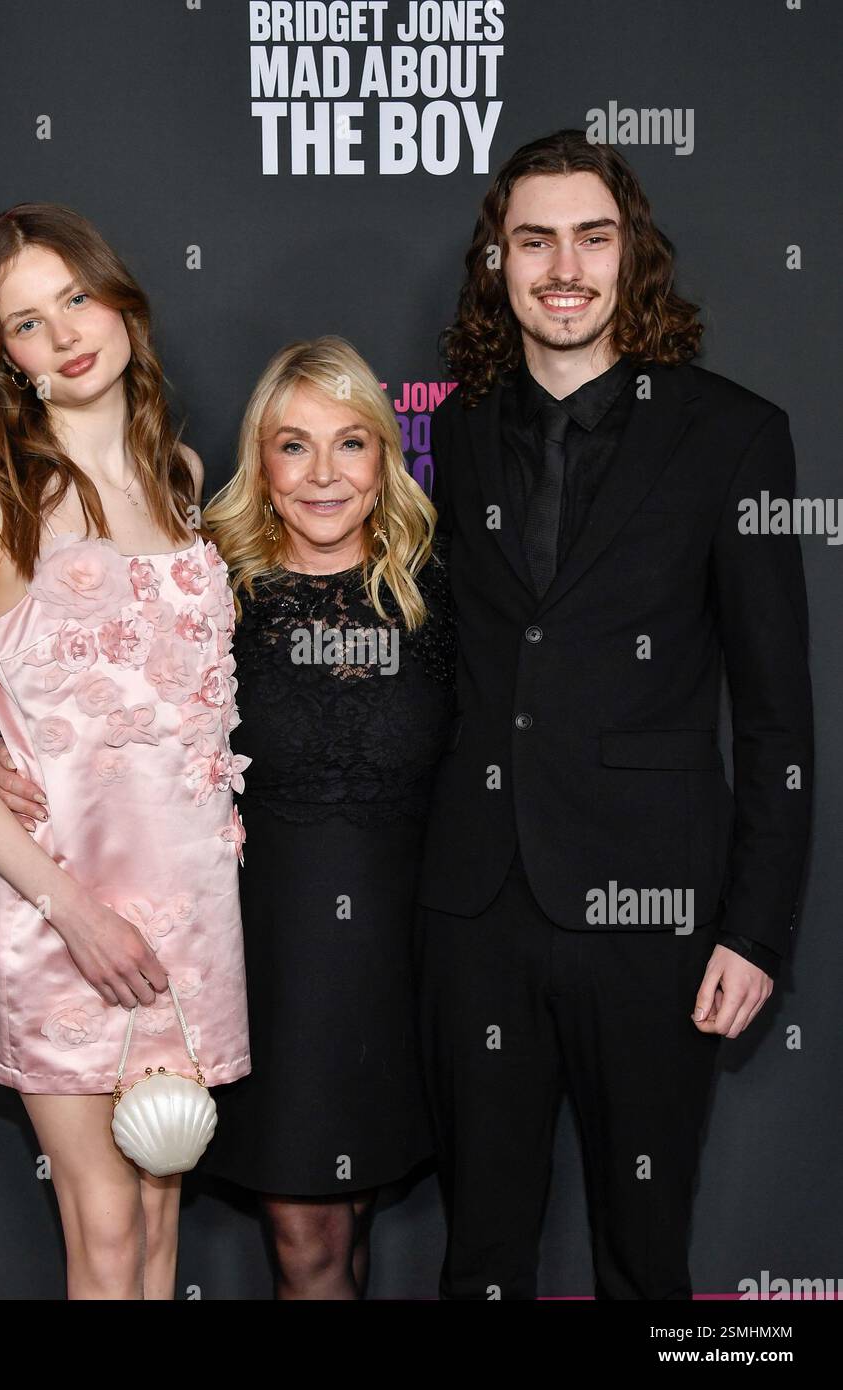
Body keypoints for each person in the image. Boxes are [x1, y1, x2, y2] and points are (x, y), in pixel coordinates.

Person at [414, 128, 815, 1299]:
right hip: (475, 909)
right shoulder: (461, 435)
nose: (562, 267)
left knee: (644, 1257)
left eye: (591, 236)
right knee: (480, 1254)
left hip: (655, 913)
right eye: (532, 240)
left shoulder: (734, 435)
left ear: (629, 252)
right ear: (499, 261)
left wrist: (756, 926)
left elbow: (777, 714)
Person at [0, 335, 457, 1299]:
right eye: (292, 445)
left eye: (351, 442)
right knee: (309, 1237)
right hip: (264, 961)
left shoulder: (438, 592)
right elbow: (81, 681)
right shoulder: (210, 587)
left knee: (353, 1230)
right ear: (258, 462)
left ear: (385, 457)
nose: (323, 473)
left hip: (411, 962)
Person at [0, 203, 250, 1301]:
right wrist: (73, 910)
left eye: (77, 299)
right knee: (101, 1231)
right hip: (64, 911)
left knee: (158, 1206)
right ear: (7, 360)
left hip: (190, 910)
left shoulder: (187, 479)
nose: (65, 334)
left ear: (121, 302)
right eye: (29, 324)